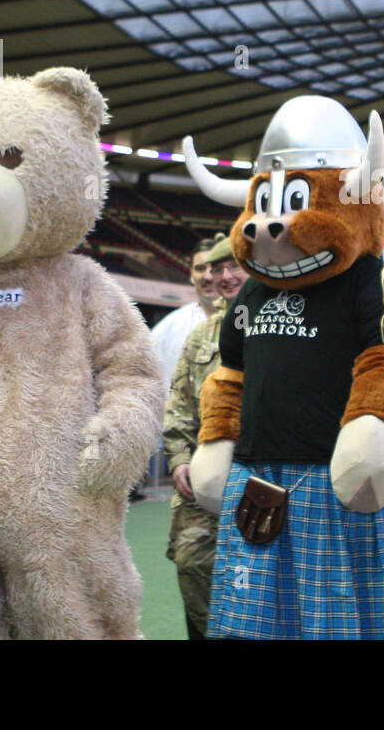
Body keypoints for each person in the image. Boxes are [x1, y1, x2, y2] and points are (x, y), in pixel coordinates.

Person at [163, 235, 244, 639]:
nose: (224, 277)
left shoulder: (285, 323)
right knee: (193, 565)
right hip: (203, 485)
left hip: (266, 478)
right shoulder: (200, 336)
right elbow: (178, 405)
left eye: (234, 266)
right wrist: (178, 457)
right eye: (217, 270)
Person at [151, 237, 225, 390]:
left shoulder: (246, 321)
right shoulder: (168, 328)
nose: (207, 276)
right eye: (200, 268)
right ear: (191, 275)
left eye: (215, 268)